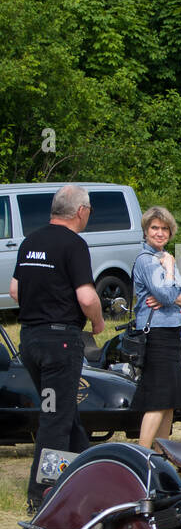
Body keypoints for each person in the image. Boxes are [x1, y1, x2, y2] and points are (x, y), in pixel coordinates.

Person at [8, 184, 105, 511]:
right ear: (81, 211)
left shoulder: (30, 241)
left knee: (65, 415)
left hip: (31, 342)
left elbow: (14, 292)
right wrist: (98, 322)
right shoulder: (74, 245)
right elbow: (87, 297)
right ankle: (43, 497)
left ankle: (93, 479)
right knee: (55, 419)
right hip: (61, 344)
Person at [131, 206, 181, 450]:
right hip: (155, 333)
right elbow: (167, 294)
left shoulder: (165, 257)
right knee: (157, 399)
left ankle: (161, 457)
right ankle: (142, 456)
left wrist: (173, 296)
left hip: (171, 331)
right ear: (146, 231)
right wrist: (169, 272)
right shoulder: (148, 261)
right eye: (155, 228)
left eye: (164, 228)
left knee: (169, 401)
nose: (159, 233)